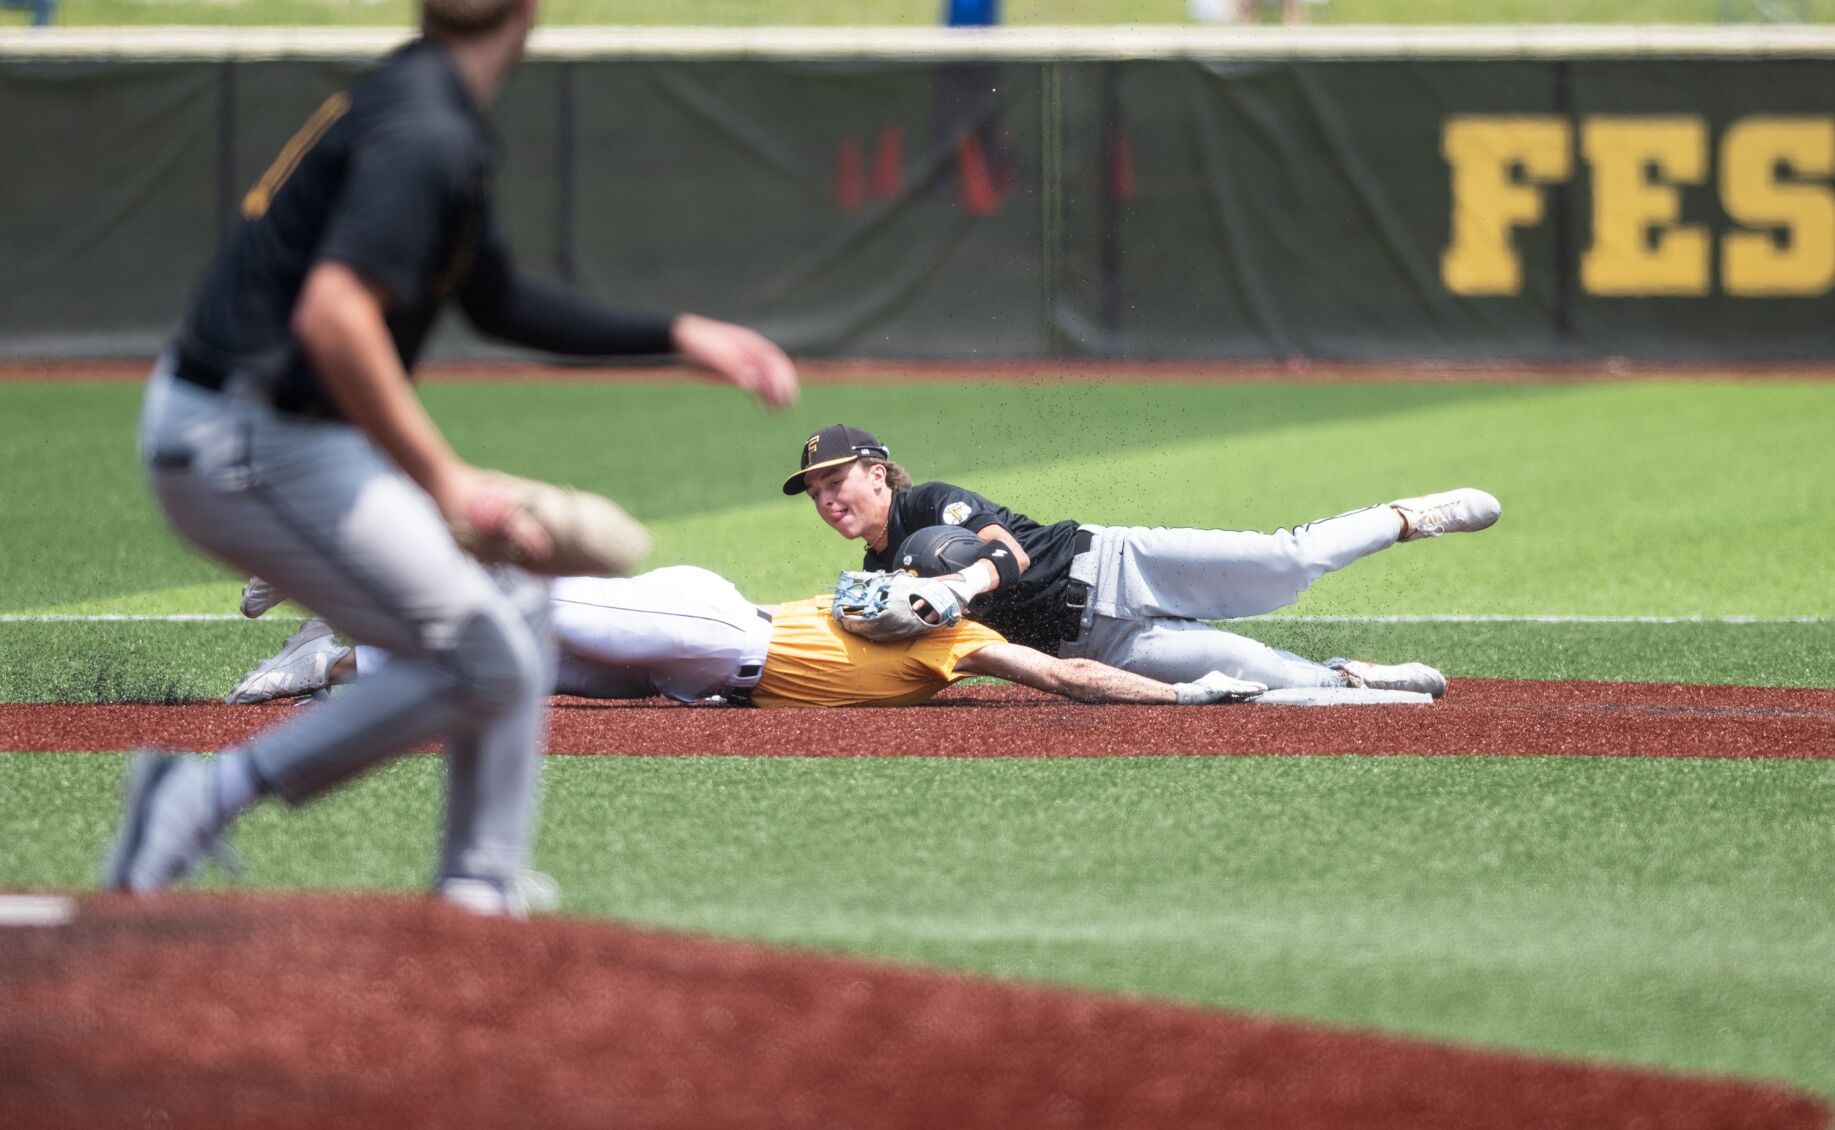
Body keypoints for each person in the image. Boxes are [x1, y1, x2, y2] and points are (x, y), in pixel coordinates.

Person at [100, 0, 798, 916]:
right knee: (484, 661)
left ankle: (480, 877)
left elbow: (496, 298)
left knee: (516, 599)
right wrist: (446, 484)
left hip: (266, 427)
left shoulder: (418, 97)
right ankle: (195, 799)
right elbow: (334, 316)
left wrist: (675, 334)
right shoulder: (426, 130)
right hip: (243, 441)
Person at [783, 425, 1499, 698]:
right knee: (1254, 674)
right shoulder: (878, 575)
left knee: (1285, 561)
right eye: (815, 492)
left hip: (1118, 564)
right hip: (1095, 647)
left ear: (876, 472)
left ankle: (1407, 517)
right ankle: (1350, 676)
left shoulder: (931, 503)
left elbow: (1007, 551)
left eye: (834, 480)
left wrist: (958, 586)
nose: (826, 498)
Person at [223, 565, 1271, 710]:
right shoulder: (909, 613)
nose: (904, 589)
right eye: (910, 575)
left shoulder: (958, 638)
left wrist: (1179, 692)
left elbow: (1067, 670)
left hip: (698, 666)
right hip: (719, 632)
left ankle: (337, 655)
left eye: (923, 578)